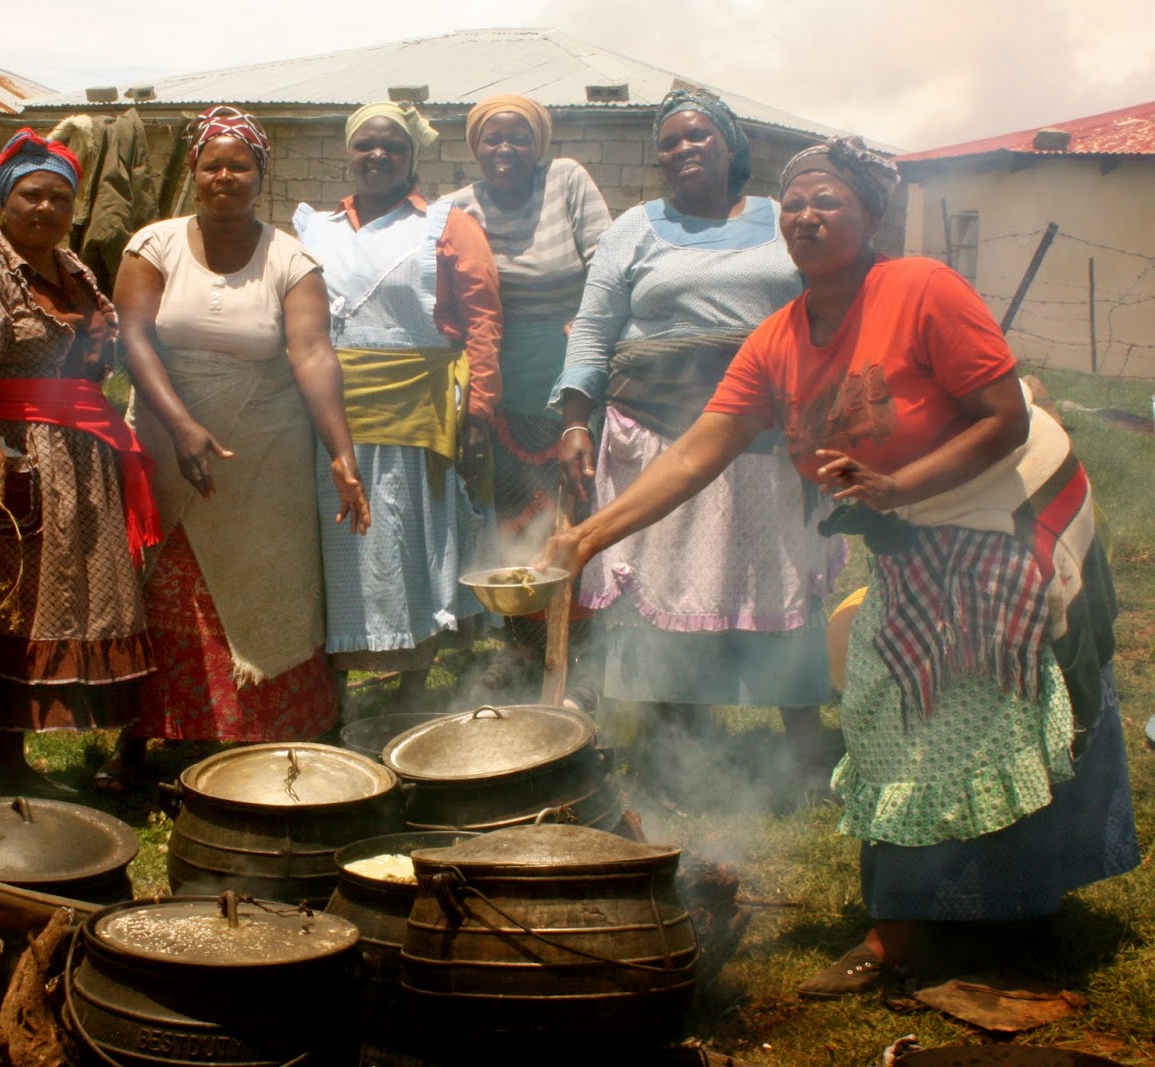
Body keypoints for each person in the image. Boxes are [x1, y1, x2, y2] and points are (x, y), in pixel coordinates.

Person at [539, 136, 1136, 996]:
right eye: (794, 205)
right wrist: (590, 535)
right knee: (894, 711)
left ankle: (1009, 917)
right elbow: (698, 450)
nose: (807, 218)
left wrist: (896, 485)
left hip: (1004, 512)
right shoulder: (780, 337)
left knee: (988, 708)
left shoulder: (922, 289)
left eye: (829, 203)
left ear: (872, 217)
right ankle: (910, 922)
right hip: (910, 532)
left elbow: (1003, 416)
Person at [549, 90, 839, 773]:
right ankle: (668, 749)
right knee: (663, 585)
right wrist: (573, 419)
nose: (682, 149)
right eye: (670, 142)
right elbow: (593, 325)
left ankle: (804, 752)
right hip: (657, 434)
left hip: (767, 439)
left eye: (698, 136)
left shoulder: (782, 219)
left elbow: (830, 306)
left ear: (731, 145)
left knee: (778, 581)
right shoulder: (633, 229)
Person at [99, 107, 371, 789]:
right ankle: (142, 741)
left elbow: (311, 351)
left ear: (261, 175)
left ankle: (260, 737)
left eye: (239, 165)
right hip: (166, 436)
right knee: (163, 588)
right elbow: (135, 339)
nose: (226, 176)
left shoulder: (290, 259)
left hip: (264, 456)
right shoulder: (152, 246)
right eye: (213, 164)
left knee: (260, 586)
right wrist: (182, 424)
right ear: (194, 171)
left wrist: (340, 450)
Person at [0, 129, 159, 798]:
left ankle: (16, 762)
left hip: (77, 453)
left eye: (60, 198)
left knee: (39, 606)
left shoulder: (74, 271)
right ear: (5, 199)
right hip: (9, 449)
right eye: (32, 195)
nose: (46, 209)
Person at [292, 102, 502, 705]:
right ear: (349, 154)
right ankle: (331, 687)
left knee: (406, 542)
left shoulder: (446, 224)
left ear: (412, 158)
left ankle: (412, 688)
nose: (378, 156)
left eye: (392, 147)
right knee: (338, 545)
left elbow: (484, 321)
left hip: (416, 410)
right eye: (366, 146)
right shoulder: (316, 231)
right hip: (332, 415)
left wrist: (480, 412)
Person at [447, 94, 611, 700]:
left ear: (538, 144)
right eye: (492, 139)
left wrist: (592, 322)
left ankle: (584, 650)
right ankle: (520, 643)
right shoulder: (460, 205)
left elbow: (607, 259)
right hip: (499, 372)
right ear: (474, 147)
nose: (505, 149)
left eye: (518, 137)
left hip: (573, 365)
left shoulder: (567, 179)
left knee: (578, 505)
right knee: (515, 512)